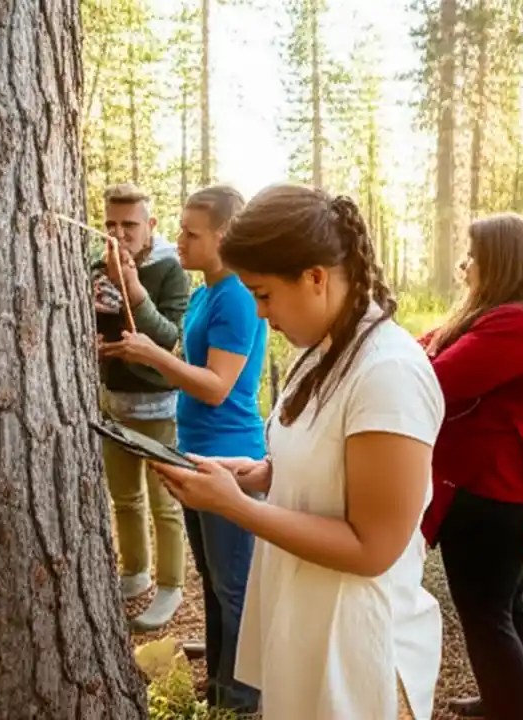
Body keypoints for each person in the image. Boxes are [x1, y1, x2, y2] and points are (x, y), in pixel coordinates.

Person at [148, 184, 444, 719]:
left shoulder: (388, 373)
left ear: (315, 277)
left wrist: (237, 508)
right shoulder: (325, 351)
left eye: (263, 294)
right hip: (307, 624)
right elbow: (327, 468)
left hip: (356, 650)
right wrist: (259, 475)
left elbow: (372, 547)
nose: (260, 314)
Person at [100, 185, 267, 712]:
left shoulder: (238, 296)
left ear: (224, 237)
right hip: (195, 450)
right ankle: (221, 687)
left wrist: (153, 355)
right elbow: (180, 354)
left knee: (235, 589)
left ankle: (241, 701)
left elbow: (217, 386)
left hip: (230, 455)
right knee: (217, 587)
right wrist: (138, 331)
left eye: (191, 233)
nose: (179, 239)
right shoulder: (204, 292)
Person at [417, 213, 523, 720]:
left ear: (500, 264)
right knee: (508, 607)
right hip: (501, 486)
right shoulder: (506, 315)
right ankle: (501, 701)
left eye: (473, 256)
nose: (465, 266)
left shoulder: (515, 323)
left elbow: (434, 377)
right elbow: (425, 346)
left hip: (488, 491)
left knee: (487, 616)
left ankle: (507, 708)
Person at [92, 183, 191, 630]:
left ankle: (171, 586)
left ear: (150, 225)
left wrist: (132, 287)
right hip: (114, 401)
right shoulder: (98, 267)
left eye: (129, 224)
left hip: (160, 406)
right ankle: (135, 574)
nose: (118, 233)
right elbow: (96, 323)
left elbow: (167, 335)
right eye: (110, 224)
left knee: (165, 502)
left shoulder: (170, 271)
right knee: (125, 498)